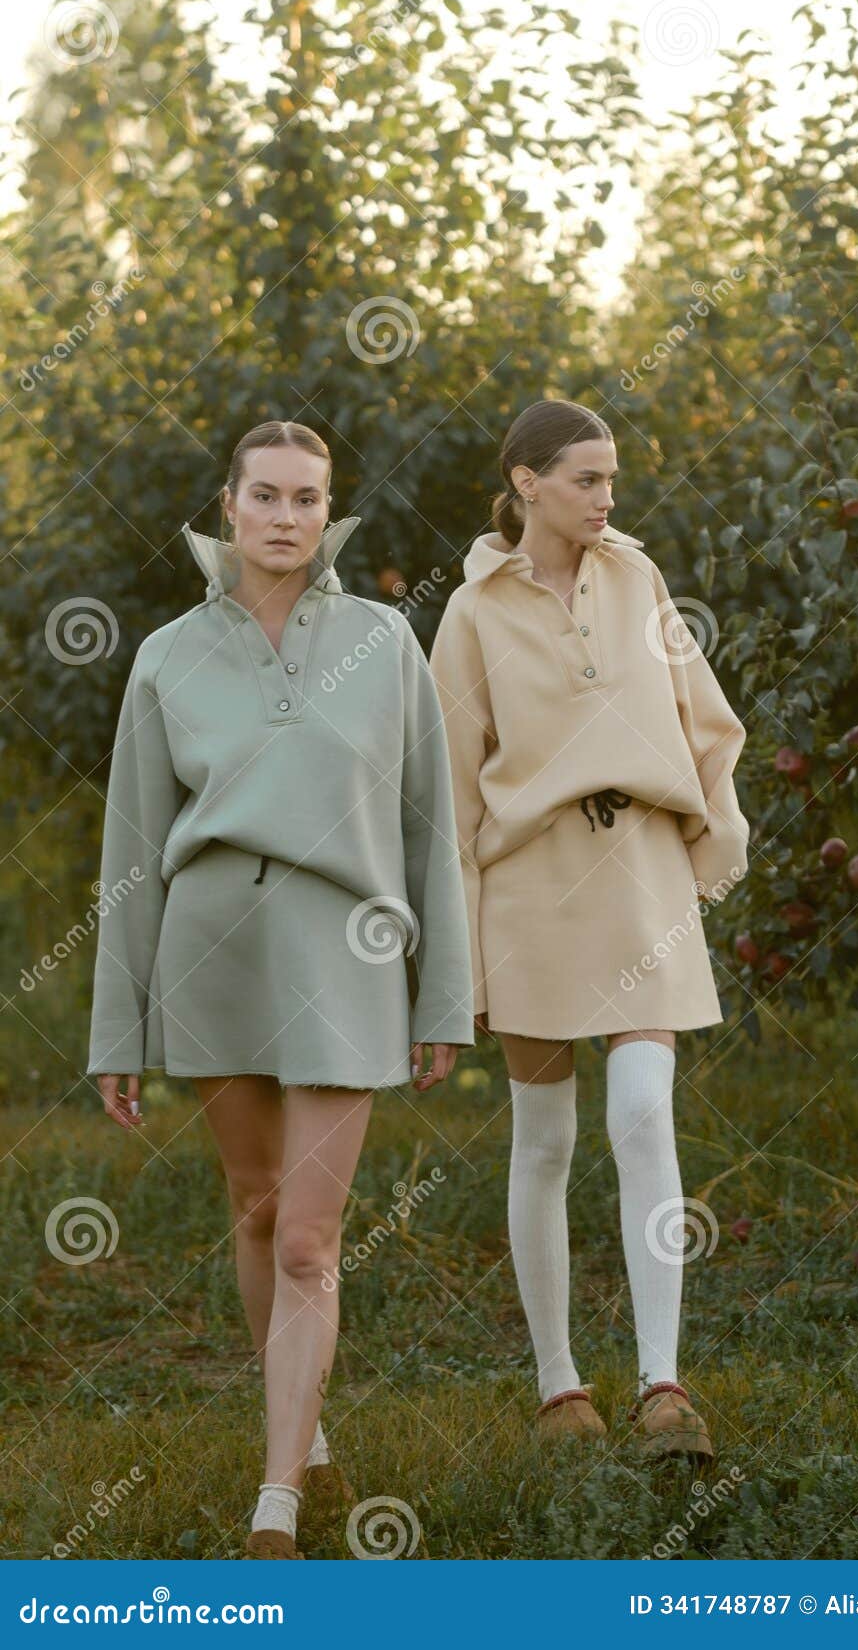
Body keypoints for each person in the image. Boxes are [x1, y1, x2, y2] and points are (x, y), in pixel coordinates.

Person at [86, 420, 473, 1557]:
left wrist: (442, 993)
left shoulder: (384, 640)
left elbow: (428, 827)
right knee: (254, 1207)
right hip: (212, 952)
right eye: (267, 496)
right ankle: (300, 1434)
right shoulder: (166, 655)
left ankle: (276, 1502)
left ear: (329, 511)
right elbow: (132, 851)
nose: (288, 517)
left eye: (309, 497)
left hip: (348, 955)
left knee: (310, 1236)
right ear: (230, 504)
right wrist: (120, 1021)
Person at [429, 399, 749, 1465]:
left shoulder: (637, 578)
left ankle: (664, 1386)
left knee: (646, 1114)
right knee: (547, 1136)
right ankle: (559, 1385)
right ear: (525, 482)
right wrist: (458, 943)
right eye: (585, 479)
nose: (607, 498)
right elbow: (448, 789)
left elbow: (702, 710)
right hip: (529, 885)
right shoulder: (471, 611)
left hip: (640, 868)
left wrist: (711, 833)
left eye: (612, 478)